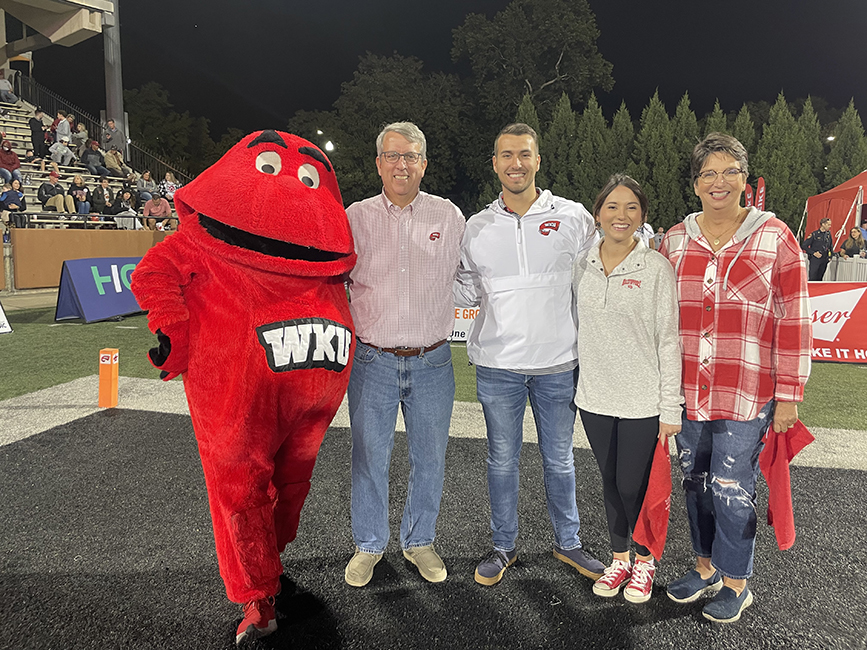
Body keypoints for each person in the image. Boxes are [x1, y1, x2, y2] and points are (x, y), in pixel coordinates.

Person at [658, 133, 810, 624]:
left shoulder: (774, 236)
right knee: (695, 483)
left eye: (729, 172)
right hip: (686, 395)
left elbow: (794, 318)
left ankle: (736, 582)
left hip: (747, 394)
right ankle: (703, 568)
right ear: (695, 183)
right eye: (708, 173)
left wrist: (788, 394)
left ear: (745, 181)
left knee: (731, 486)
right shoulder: (674, 240)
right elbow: (659, 319)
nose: (718, 182)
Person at [454, 123, 603, 586]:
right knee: (502, 459)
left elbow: (597, 280)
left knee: (560, 460)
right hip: (498, 368)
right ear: (495, 163)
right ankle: (504, 547)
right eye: (505, 155)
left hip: (559, 364)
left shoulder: (575, 216)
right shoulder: (475, 227)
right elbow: (461, 285)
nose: (515, 163)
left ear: (538, 160)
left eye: (524, 154)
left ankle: (569, 542)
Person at [343, 122, 465, 588]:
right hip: (372, 359)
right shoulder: (354, 216)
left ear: (424, 163)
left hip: (433, 360)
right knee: (369, 456)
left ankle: (419, 541)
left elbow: (470, 273)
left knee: (429, 457)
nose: (401, 164)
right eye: (392, 156)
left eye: (410, 156)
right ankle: (369, 544)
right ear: (378, 163)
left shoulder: (448, 215)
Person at [572, 174, 682, 604]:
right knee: (610, 482)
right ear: (597, 213)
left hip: (642, 399)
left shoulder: (655, 268)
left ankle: (644, 561)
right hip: (595, 397)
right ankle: (619, 558)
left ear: (643, 216)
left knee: (634, 484)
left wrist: (669, 406)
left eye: (631, 207)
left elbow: (669, 339)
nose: (621, 215)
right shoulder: (581, 263)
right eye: (612, 207)